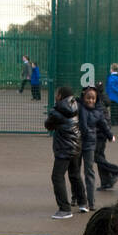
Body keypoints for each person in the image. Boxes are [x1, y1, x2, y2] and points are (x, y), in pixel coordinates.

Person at [46, 86, 86, 219]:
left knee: (57, 177)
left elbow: (48, 125)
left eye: (57, 93)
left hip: (64, 148)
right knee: (75, 175)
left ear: (60, 96)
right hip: (76, 146)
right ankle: (83, 203)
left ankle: (64, 209)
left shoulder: (56, 110)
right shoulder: (76, 106)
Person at [78, 85, 113, 210]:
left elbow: (103, 124)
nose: (90, 100)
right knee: (75, 172)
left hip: (89, 144)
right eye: (88, 98)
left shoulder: (98, 111)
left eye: (93, 98)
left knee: (89, 171)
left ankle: (90, 202)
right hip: (77, 144)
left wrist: (110, 135)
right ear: (84, 97)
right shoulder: (78, 107)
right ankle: (76, 197)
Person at [92, 81, 118, 190]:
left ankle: (115, 170)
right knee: (100, 156)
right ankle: (106, 182)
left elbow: (101, 120)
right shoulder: (102, 99)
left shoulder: (98, 103)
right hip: (102, 133)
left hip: (100, 134)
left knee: (96, 156)